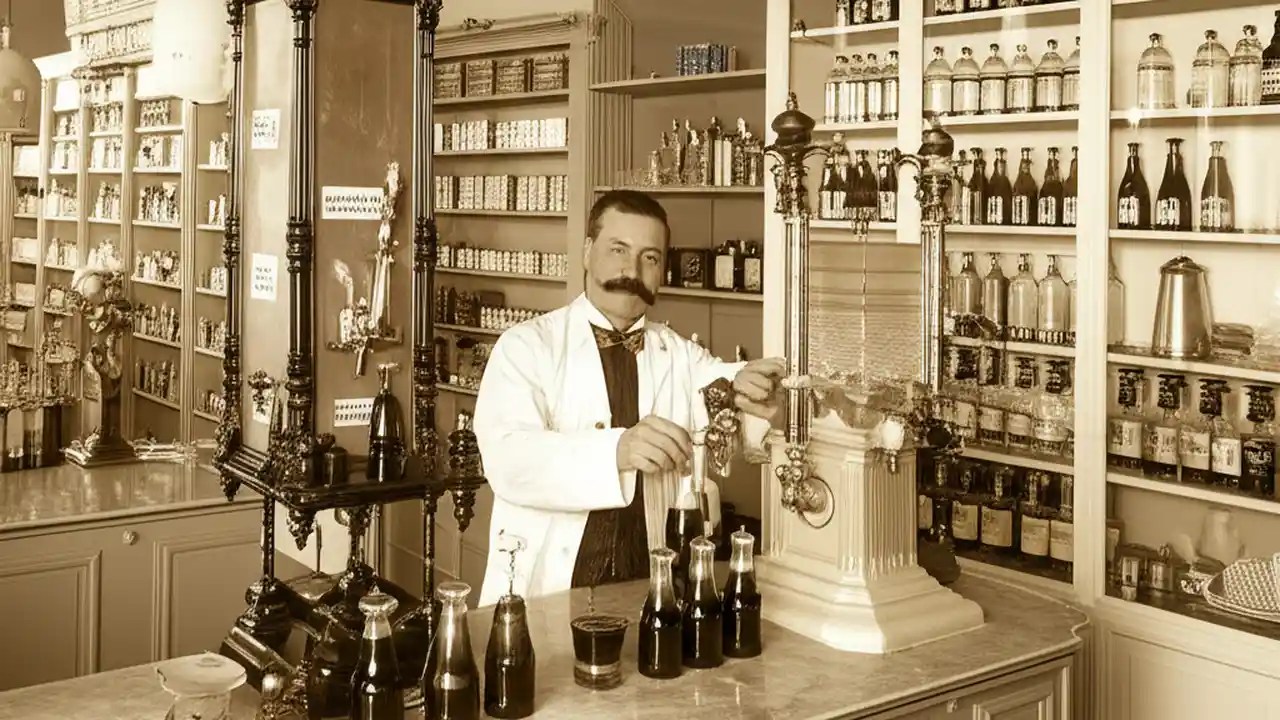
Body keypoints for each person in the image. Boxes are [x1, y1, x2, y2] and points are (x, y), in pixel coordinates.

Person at [472, 190, 785, 606]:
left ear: (662, 270)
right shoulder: (526, 347)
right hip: (551, 587)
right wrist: (617, 450)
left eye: (650, 257)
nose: (631, 270)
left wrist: (752, 388)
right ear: (587, 251)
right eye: (618, 249)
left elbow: (724, 386)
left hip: (652, 588)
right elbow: (507, 460)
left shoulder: (680, 354)